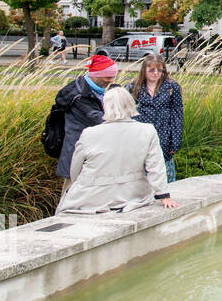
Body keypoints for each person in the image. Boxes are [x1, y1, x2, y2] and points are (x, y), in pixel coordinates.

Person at [57, 86, 180, 214]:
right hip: (133, 195)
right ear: (131, 104)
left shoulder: (89, 133)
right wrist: (163, 195)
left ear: (105, 107)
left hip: (91, 197)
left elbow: (75, 169)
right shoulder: (147, 130)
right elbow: (155, 166)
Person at [54, 54, 118, 183]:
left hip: (90, 155)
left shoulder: (96, 90)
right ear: (95, 75)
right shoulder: (80, 96)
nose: (111, 80)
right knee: (70, 198)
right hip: (76, 157)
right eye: (108, 77)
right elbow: (100, 121)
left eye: (113, 77)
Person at [129, 54, 184, 183]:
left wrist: (175, 141)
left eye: (159, 70)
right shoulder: (134, 86)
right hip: (141, 134)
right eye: (152, 70)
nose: (156, 73)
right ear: (144, 70)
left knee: (165, 173)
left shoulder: (171, 87)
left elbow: (177, 114)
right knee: (141, 173)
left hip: (163, 133)